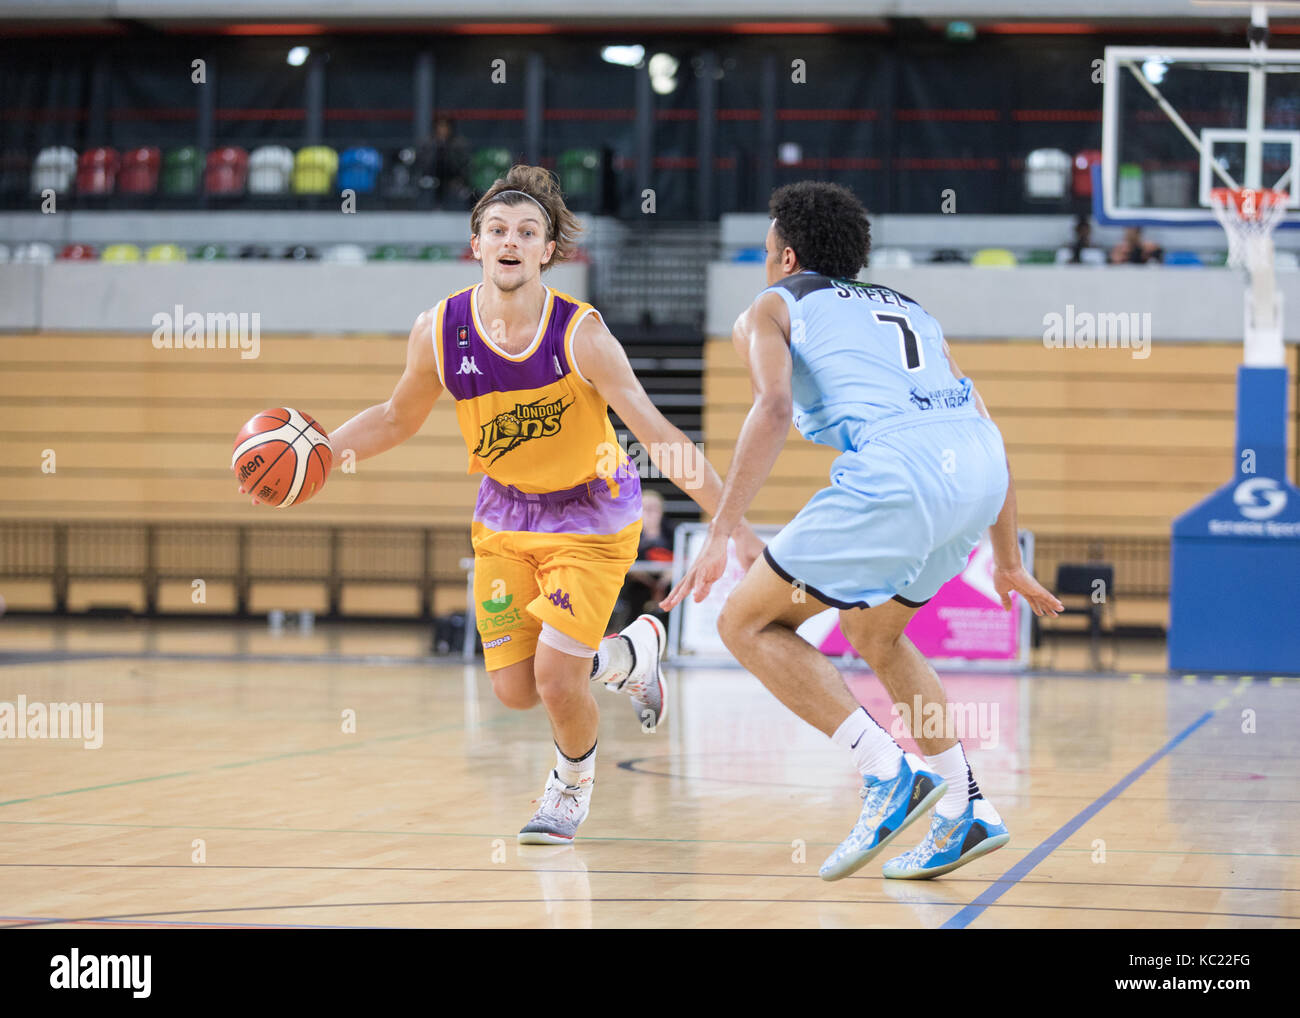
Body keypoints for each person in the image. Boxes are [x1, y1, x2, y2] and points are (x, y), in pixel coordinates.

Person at [240, 164, 762, 844]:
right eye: (496, 230)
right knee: (515, 690)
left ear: (549, 250)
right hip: (504, 516)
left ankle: (568, 790)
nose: (510, 240)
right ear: (477, 243)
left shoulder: (582, 336)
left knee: (554, 677)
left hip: (592, 517)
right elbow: (398, 417)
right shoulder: (440, 329)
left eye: (527, 231)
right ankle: (630, 657)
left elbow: (660, 436)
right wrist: (322, 454)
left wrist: (731, 526)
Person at [664, 182, 1063, 881]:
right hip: (977, 472)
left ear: (786, 257)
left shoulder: (772, 304)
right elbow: (983, 422)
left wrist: (724, 525)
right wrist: (1005, 559)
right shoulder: (912, 309)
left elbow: (774, 405)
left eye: (765, 251)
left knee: (745, 625)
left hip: (900, 474)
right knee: (877, 633)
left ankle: (887, 770)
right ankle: (964, 807)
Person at [614, 488, 674, 629]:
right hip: (638, 582)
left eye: (655, 509)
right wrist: (650, 582)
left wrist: (665, 580)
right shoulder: (628, 531)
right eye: (646, 508)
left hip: (666, 583)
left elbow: (681, 557)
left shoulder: (672, 531)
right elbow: (622, 558)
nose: (651, 513)